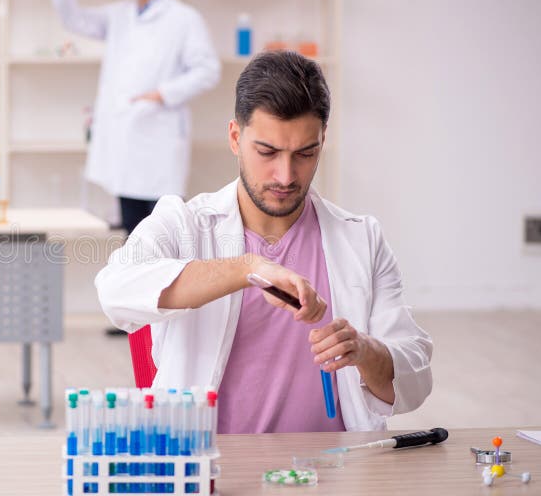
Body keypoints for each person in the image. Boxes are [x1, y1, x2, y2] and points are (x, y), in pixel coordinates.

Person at [95, 51, 433, 432]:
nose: (286, 175)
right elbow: (115, 290)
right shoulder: (183, 223)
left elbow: (416, 375)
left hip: (334, 473)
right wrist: (248, 268)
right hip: (216, 470)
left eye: (305, 153)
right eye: (267, 152)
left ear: (323, 140)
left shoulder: (361, 238)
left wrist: (365, 350)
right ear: (236, 138)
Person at [50, 0, 220, 235]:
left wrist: (162, 93)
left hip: (159, 139)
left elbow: (208, 70)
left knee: (165, 231)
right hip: (128, 143)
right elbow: (76, 21)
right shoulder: (120, 15)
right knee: (132, 231)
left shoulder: (184, 19)